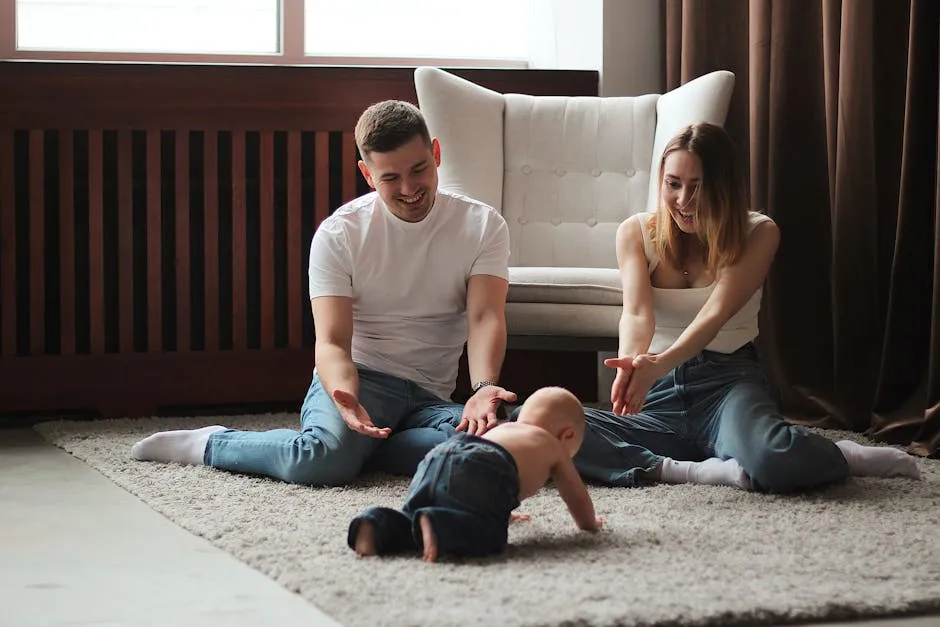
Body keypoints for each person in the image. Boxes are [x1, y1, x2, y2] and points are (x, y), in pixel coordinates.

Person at [130, 100, 517, 485]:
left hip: (431, 397)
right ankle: (212, 443)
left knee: (487, 442)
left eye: (419, 169)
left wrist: (482, 389)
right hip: (363, 380)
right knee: (320, 461)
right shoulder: (340, 233)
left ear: (435, 153)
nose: (409, 188)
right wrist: (345, 395)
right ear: (367, 174)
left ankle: (363, 447)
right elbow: (331, 341)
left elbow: (484, 317)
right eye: (390, 178)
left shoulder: (482, 225)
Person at [570, 122, 921, 493]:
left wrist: (660, 362)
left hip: (727, 382)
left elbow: (715, 313)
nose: (684, 200)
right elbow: (638, 313)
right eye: (673, 184)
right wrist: (632, 366)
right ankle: (684, 469)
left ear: (725, 186)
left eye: (698, 186)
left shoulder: (759, 232)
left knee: (775, 460)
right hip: (659, 393)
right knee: (540, 424)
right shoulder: (635, 232)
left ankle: (838, 454)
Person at [348, 386, 603, 562]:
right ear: (567, 435)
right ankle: (439, 524)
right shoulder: (553, 445)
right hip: (486, 463)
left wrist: (504, 509)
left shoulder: (507, 430)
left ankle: (376, 523)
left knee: (411, 521)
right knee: (489, 533)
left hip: (440, 455)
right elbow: (575, 495)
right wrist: (589, 524)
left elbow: (482, 486)